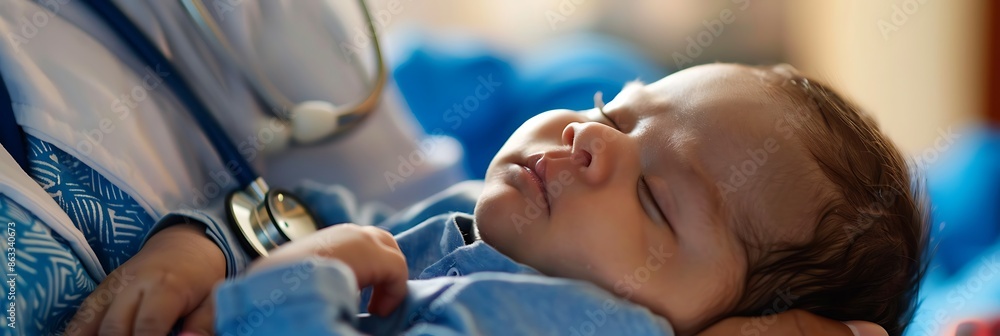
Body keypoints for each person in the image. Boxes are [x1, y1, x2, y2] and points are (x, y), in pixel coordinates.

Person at [67, 63, 923, 335]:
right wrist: (204, 247)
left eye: (658, 198)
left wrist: (307, 271)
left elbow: (312, 245)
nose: (590, 142)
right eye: (611, 110)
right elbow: (293, 212)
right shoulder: (490, 242)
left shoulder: (581, 324)